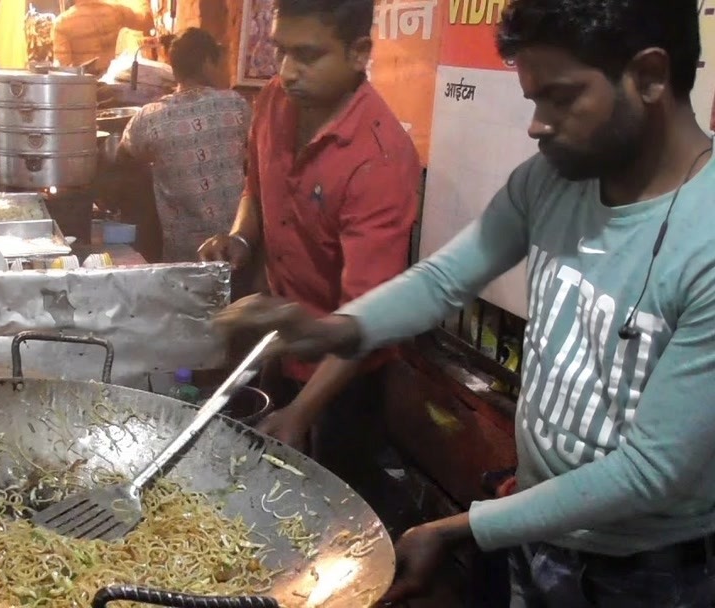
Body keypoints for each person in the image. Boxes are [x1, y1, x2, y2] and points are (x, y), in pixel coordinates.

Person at [216, 0, 715, 605]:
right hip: (535, 527)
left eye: (560, 98)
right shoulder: (552, 180)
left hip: (649, 570)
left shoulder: (705, 235)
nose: (536, 126)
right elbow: (442, 281)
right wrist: (330, 330)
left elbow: (653, 471)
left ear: (650, 76)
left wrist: (464, 528)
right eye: (533, 99)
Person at [197, 0, 420, 485]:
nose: (287, 71)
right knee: (265, 483)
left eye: (307, 55)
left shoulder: (378, 161)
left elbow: (366, 319)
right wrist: (241, 237)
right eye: (281, 51)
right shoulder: (274, 100)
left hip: (345, 371)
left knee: (333, 492)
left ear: (358, 52)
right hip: (280, 343)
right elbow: (255, 188)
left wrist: (301, 412)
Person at [117, 28, 251, 263]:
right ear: (208, 62)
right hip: (236, 247)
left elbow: (122, 158)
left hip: (186, 255)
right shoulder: (235, 104)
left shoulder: (150, 117)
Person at [52, 0, 153, 75]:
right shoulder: (115, 11)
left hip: (84, 89)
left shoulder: (62, 23)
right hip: (112, 83)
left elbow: (63, 71)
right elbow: (147, 22)